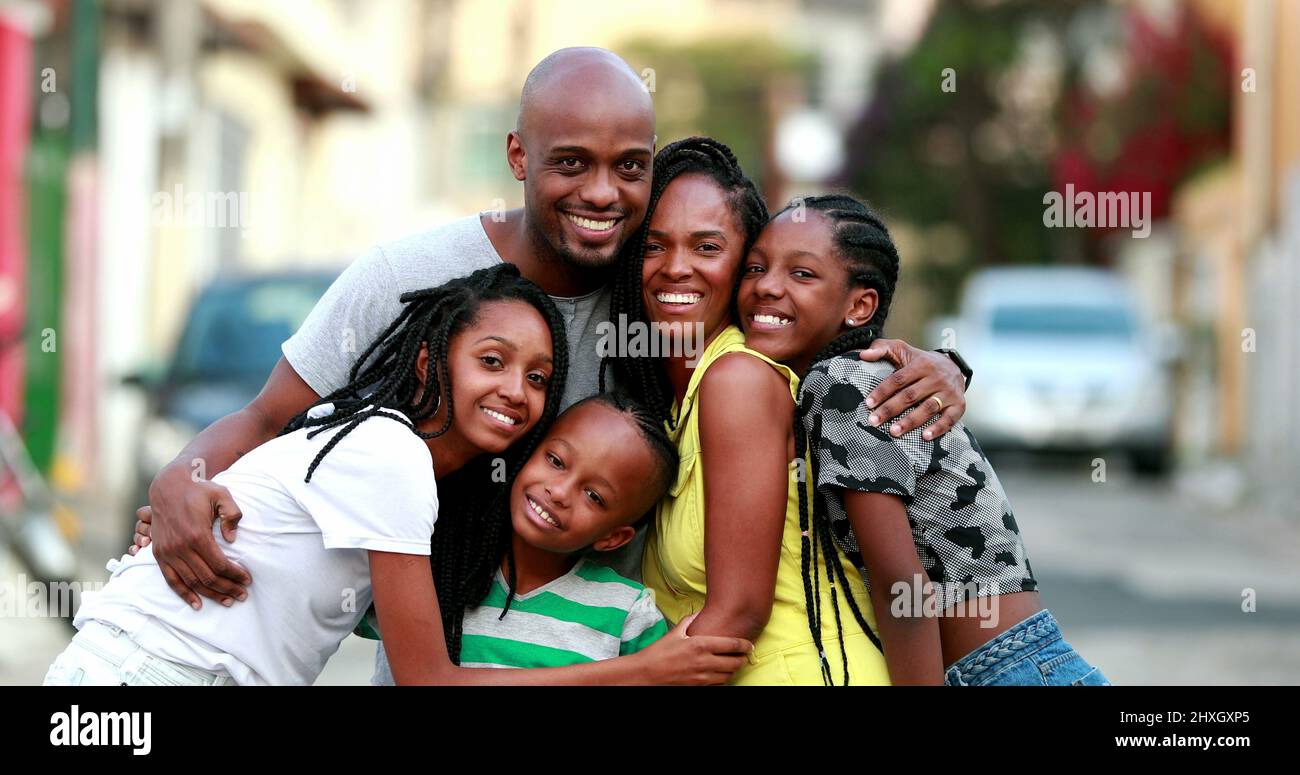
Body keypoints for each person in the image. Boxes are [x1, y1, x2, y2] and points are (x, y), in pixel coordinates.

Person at [131, 49, 970, 686]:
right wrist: (180, 474)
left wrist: (936, 363)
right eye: (572, 162)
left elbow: (797, 312)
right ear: (519, 156)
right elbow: (266, 417)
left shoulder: (654, 296)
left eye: (629, 167)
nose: (603, 193)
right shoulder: (409, 277)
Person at [48, 266, 747, 686]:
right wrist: (641, 671)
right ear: (427, 360)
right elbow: (427, 680)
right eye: (492, 360)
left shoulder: (406, 474)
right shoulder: (393, 455)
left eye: (538, 378)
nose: (516, 390)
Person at [737, 194, 1109, 686]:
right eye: (755, 268)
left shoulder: (844, 384)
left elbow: (901, 583)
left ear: (859, 305)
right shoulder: (857, 378)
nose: (767, 286)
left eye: (802, 274)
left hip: (1000, 670)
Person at [604, 138, 896, 684]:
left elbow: (737, 614)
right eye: (654, 246)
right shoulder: (675, 403)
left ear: (743, 267)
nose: (675, 268)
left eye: (707, 247)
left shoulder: (737, 379)